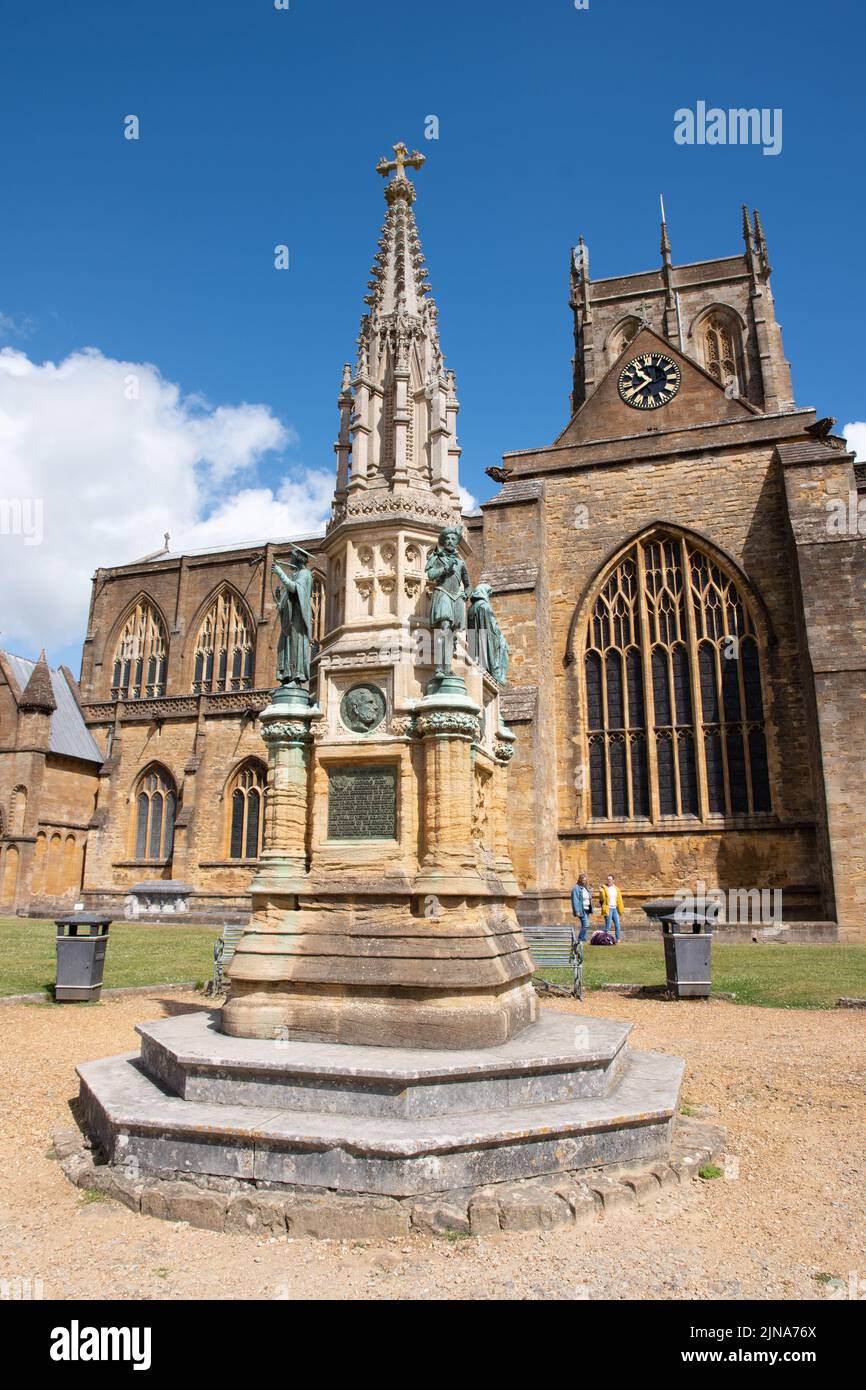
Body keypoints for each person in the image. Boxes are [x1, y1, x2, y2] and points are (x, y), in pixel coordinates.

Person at [599, 874, 625, 944]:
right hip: (608, 908)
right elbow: (602, 899)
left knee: (617, 924)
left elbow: (619, 900)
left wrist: (620, 909)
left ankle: (618, 939)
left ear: (613, 880)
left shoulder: (616, 889)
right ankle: (600, 936)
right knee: (608, 926)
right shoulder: (604, 888)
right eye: (608, 879)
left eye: (610, 879)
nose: (609, 881)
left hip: (615, 909)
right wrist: (601, 893)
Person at [570, 872, 592, 944]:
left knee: (584, 924)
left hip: (587, 909)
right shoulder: (576, 888)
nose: (584, 882)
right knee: (586, 924)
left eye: (585, 880)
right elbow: (575, 900)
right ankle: (580, 938)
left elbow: (588, 896)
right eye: (583, 880)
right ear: (580, 880)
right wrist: (577, 911)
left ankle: (584, 938)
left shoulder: (585, 888)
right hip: (581, 909)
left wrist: (590, 895)